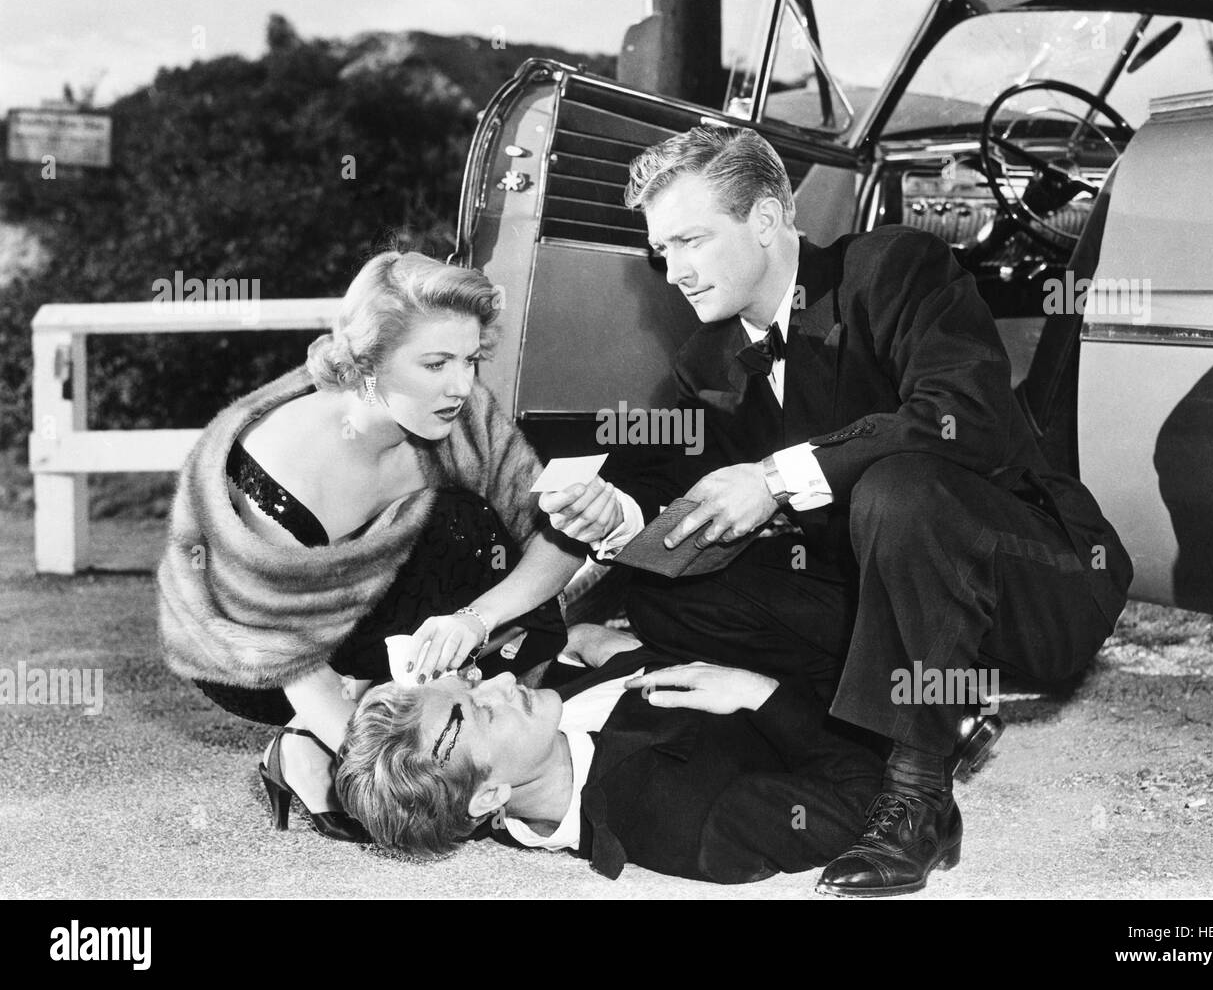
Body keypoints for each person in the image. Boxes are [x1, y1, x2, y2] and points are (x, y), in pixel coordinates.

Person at [540, 127, 1133, 897]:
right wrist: (612, 510)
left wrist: (777, 478)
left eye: (690, 239)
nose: (675, 270)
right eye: (662, 250)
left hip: (1032, 580)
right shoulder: (710, 357)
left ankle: (919, 795)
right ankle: (902, 727)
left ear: (764, 219)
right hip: (889, 604)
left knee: (900, 487)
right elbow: (651, 469)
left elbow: (965, 415)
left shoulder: (893, 267)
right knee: (667, 592)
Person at [157, 251, 584, 841]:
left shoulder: (459, 411)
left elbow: (559, 537)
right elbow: (284, 654)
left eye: (471, 359)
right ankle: (306, 746)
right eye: (435, 363)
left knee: (467, 521)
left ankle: (365, 713)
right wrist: (403, 779)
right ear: (367, 364)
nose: (461, 384)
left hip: (380, 616)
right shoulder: (286, 469)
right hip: (259, 655)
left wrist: (476, 620)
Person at [335, 626, 889, 883]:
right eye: (486, 711)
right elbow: (869, 807)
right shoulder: (696, 823)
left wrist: (599, 643)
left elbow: (570, 644)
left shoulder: (535, 746)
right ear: (489, 796)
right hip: (871, 672)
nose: (502, 681)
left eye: (473, 685)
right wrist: (756, 693)